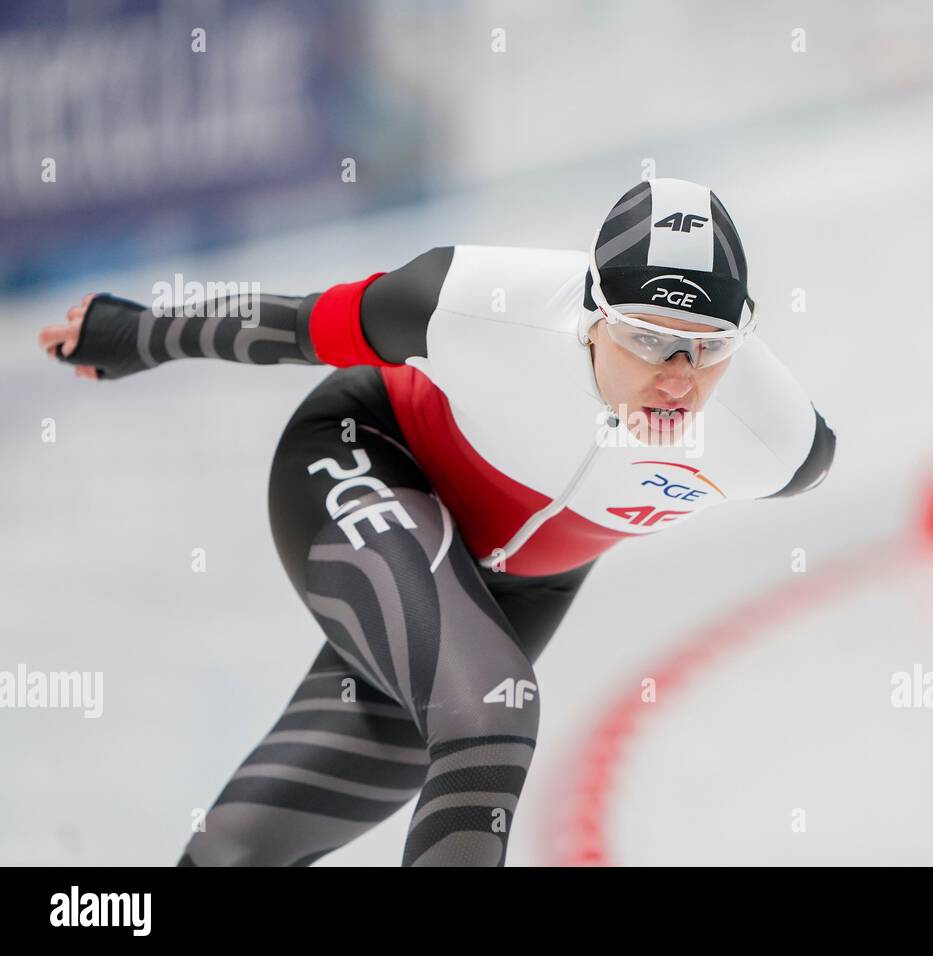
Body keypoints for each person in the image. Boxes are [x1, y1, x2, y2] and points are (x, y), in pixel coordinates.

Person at [37, 177, 836, 866]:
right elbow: (297, 323)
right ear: (591, 312)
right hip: (368, 459)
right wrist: (135, 334)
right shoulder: (473, 301)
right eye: (646, 339)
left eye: (709, 347)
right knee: (492, 705)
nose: (677, 377)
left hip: (515, 593)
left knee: (246, 847)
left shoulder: (777, 443)